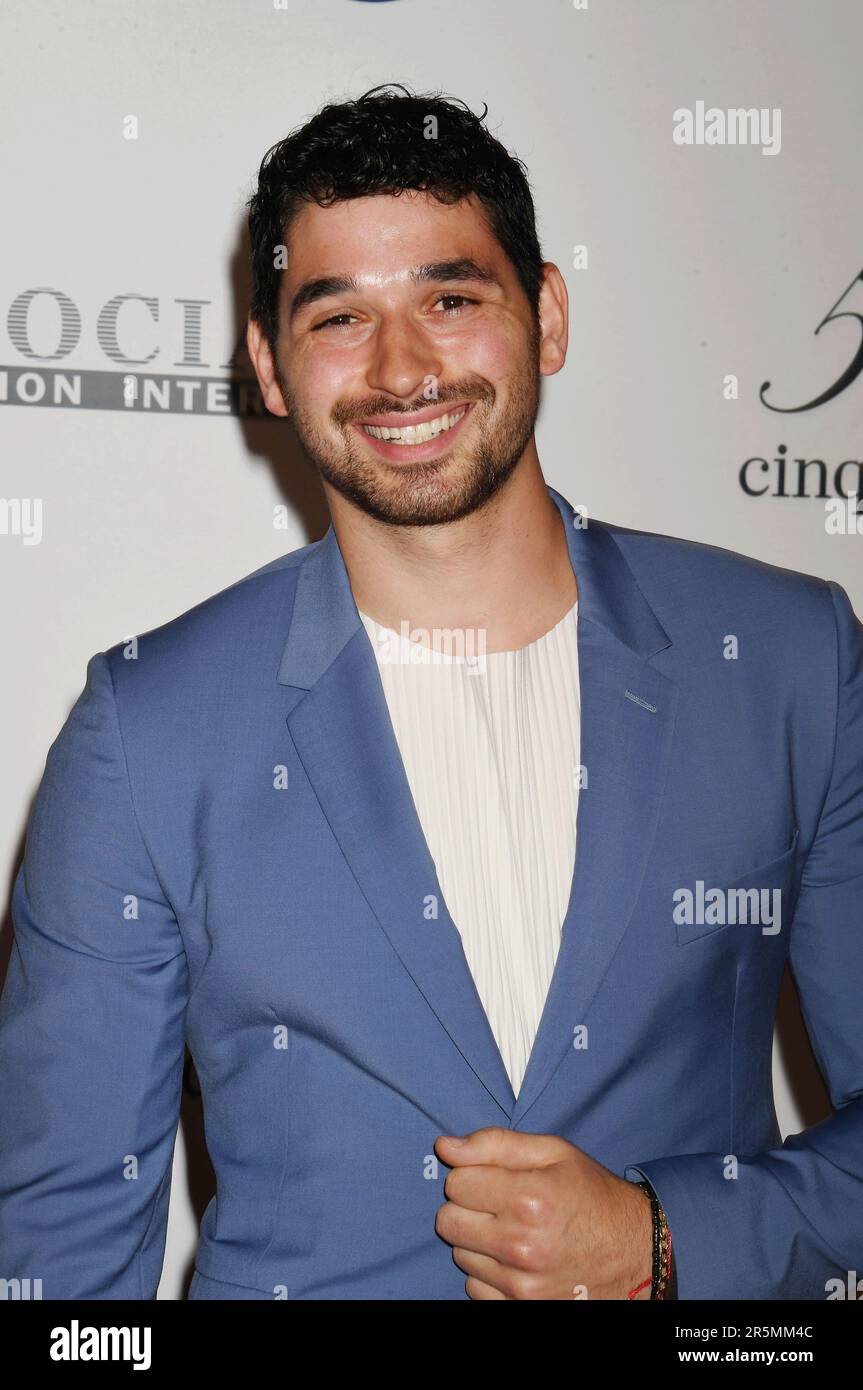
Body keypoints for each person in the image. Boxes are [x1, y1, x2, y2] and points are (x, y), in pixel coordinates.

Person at [1, 84, 860, 1301]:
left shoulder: (785, 659)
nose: (402, 370)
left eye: (450, 299)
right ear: (269, 366)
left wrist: (668, 1242)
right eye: (337, 317)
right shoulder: (144, 729)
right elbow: (58, 1268)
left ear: (546, 314)